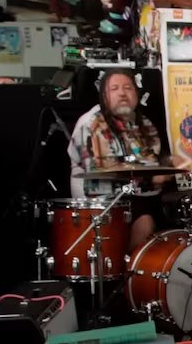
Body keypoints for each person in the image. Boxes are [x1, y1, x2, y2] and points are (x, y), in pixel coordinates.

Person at [67, 69, 171, 250]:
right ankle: (129, 265)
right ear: (104, 96)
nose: (122, 93)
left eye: (128, 88)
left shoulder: (144, 123)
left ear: (137, 94)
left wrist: (170, 164)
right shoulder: (92, 123)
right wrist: (151, 180)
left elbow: (150, 162)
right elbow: (103, 171)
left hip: (139, 194)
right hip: (103, 199)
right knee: (145, 221)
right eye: (114, 88)